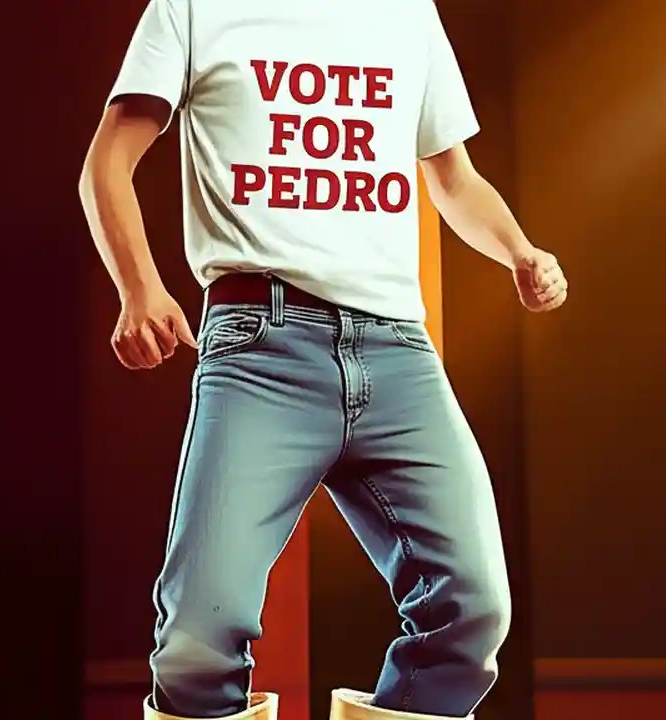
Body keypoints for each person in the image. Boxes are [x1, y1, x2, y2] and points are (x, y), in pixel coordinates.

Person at [80, 1, 568, 718]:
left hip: (398, 352)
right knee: (197, 638)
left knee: (473, 610)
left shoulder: (408, 15)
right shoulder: (193, 8)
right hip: (259, 350)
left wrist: (521, 251)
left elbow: (454, 179)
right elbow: (107, 162)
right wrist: (138, 289)